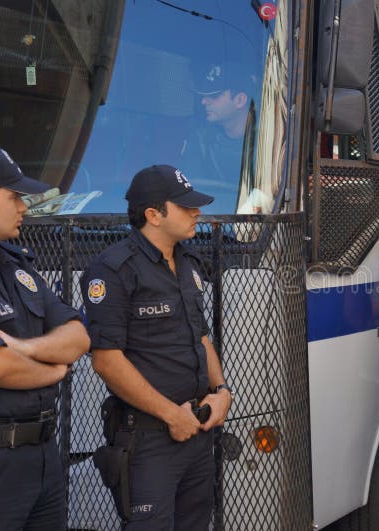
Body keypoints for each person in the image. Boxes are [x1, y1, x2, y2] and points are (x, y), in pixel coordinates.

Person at [81, 164, 233, 529]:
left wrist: (221, 390)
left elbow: (200, 337)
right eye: (185, 207)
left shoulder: (187, 262)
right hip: (150, 439)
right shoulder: (114, 269)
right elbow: (106, 361)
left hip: (197, 431)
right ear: (153, 215)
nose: (197, 212)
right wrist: (170, 414)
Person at [0, 144, 90, 529]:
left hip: (41, 457)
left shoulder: (16, 264)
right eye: (14, 197)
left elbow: (77, 337)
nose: (24, 207)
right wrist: (56, 370)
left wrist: (24, 347)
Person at [181, 63, 269, 214]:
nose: (204, 101)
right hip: (205, 229)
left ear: (240, 100)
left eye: (214, 96)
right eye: (203, 95)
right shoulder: (201, 141)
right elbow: (187, 193)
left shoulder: (268, 142)